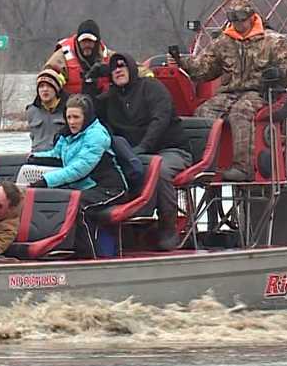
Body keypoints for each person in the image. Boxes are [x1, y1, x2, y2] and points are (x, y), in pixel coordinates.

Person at [174, 0, 287, 181]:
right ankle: (206, 164)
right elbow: (204, 70)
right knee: (204, 111)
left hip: (260, 92)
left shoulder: (273, 41)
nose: (238, 24)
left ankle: (243, 168)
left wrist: (280, 72)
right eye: (234, 21)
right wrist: (182, 61)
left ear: (252, 17)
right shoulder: (224, 41)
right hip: (230, 92)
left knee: (241, 113)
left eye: (241, 20)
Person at [98, 52, 192, 251]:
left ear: (132, 68)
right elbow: (87, 112)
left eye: (122, 66)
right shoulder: (111, 97)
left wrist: (142, 148)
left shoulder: (152, 88)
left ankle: (168, 227)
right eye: (114, 68)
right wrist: (89, 82)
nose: (118, 70)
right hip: (135, 154)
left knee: (159, 170)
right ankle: (128, 228)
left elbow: (160, 120)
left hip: (171, 150)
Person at [28, 95, 128, 257]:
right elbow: (56, 156)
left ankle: (89, 257)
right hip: (83, 186)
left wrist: (46, 181)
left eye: (76, 117)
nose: (72, 122)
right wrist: (33, 158)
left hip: (110, 188)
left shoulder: (97, 135)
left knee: (77, 206)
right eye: (68, 117)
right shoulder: (67, 135)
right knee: (56, 199)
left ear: (86, 117)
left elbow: (79, 168)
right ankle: (55, 249)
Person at [45, 19, 113, 98]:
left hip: (102, 104)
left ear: (97, 42)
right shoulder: (62, 57)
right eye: (83, 41)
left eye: (90, 41)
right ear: (77, 41)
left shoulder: (111, 58)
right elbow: (47, 81)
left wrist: (110, 71)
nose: (87, 45)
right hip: (70, 106)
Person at [26, 69, 69, 152]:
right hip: (37, 156)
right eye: (41, 86)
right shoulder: (31, 111)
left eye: (49, 86)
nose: (45, 89)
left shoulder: (68, 109)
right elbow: (33, 136)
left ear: (57, 89)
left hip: (60, 157)